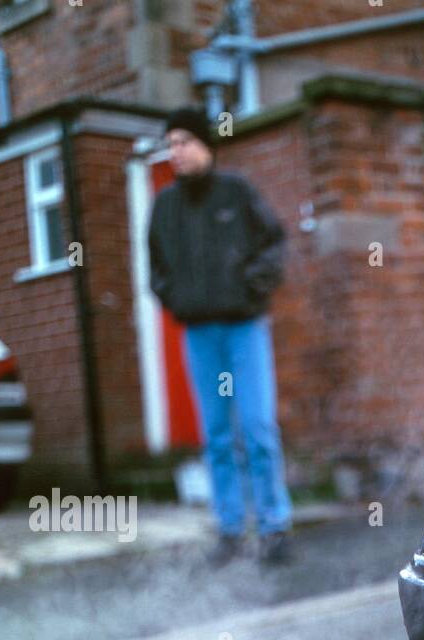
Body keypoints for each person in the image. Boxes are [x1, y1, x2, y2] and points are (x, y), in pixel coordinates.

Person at [148, 108, 293, 565]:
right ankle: (229, 527)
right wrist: (176, 299)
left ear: (207, 145)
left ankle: (273, 526)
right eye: (171, 143)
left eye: (185, 141)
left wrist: (249, 286)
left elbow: (275, 242)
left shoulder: (237, 192)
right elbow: (156, 269)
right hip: (200, 333)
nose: (178, 151)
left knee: (257, 428)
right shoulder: (165, 207)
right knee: (215, 435)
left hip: (244, 328)